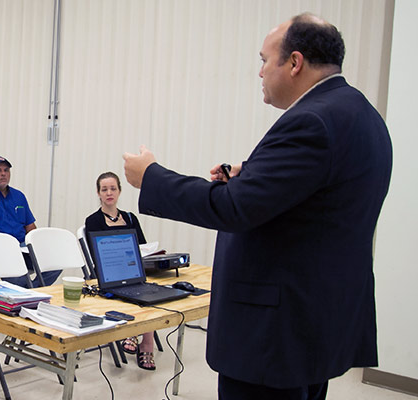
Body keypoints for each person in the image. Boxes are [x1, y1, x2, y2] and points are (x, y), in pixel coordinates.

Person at [121, 14, 391, 399]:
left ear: (294, 63)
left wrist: (152, 176)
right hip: (316, 321)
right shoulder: (361, 114)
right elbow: (321, 198)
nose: (260, 72)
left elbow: (233, 209)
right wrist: (252, 173)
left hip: (275, 336)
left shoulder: (311, 121)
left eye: (265, 60)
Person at [83, 172, 154, 370]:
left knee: (150, 290)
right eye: (104, 189)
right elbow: (97, 252)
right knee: (130, 290)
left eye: (113, 188)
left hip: (132, 270)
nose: (109, 193)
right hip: (108, 273)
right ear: (98, 193)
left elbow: (142, 247)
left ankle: (147, 342)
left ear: (120, 191)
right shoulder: (93, 220)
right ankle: (132, 330)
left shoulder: (131, 218)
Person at [0, 156, 60, 288]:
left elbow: (30, 227)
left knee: (55, 263)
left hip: (22, 249)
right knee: (20, 279)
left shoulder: (19, 196)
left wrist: (38, 246)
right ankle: (30, 292)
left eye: (6, 170)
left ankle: (31, 291)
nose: (3, 174)